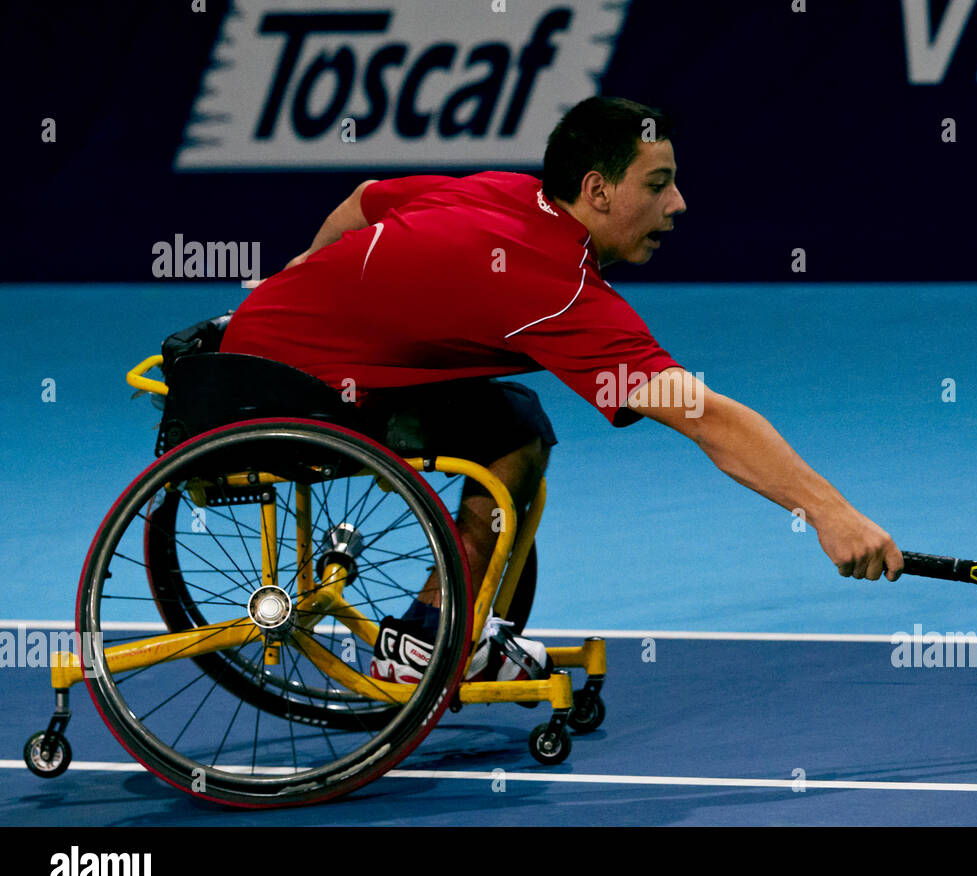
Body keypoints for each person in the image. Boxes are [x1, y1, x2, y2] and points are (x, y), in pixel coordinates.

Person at [220, 96, 902, 682]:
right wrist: (829, 512)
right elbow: (704, 417)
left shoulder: (507, 191)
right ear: (598, 190)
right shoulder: (555, 290)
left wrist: (296, 279)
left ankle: (436, 626)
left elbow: (363, 197)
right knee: (509, 431)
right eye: (658, 184)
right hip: (285, 394)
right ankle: (430, 642)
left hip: (261, 352)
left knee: (513, 428)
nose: (678, 203)